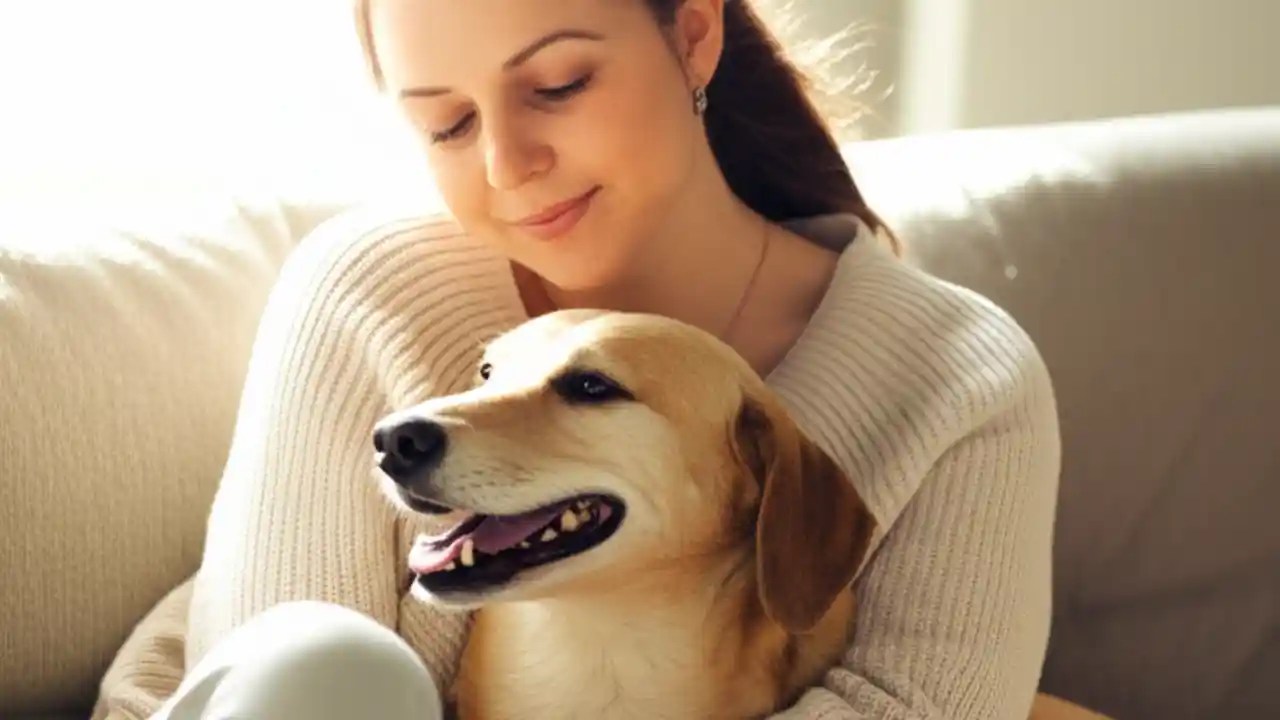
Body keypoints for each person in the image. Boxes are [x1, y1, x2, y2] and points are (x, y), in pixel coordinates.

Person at [93, 1, 1067, 718]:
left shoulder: (960, 377)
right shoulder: (368, 293)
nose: (506, 166)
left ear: (691, 31)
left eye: (557, 85)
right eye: (448, 123)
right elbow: (286, 680)